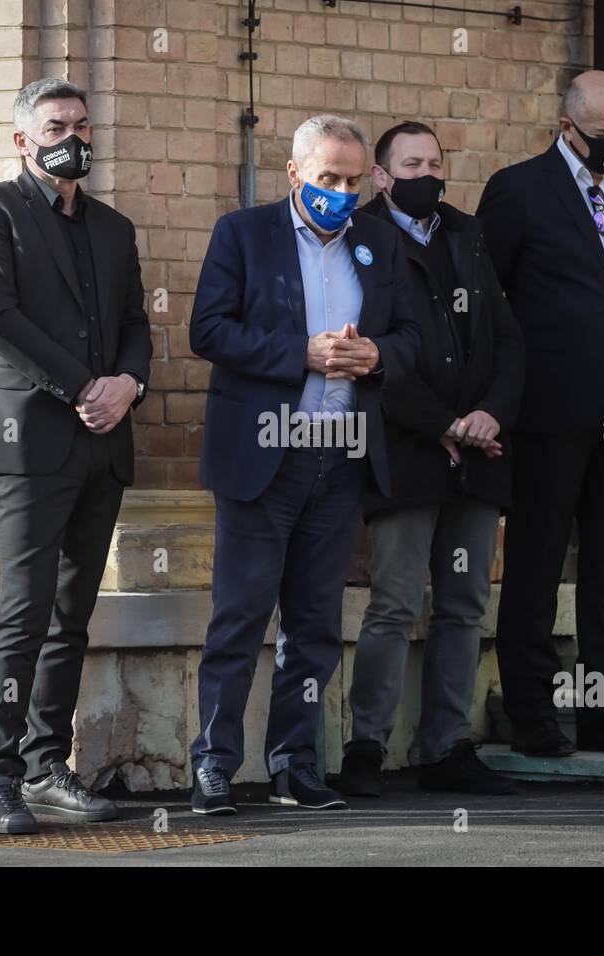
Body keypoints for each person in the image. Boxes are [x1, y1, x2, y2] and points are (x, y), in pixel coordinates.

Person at [187, 115, 420, 814]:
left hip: (343, 456)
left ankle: (295, 765)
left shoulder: (380, 241)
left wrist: (376, 356)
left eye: (353, 181)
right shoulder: (244, 234)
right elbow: (208, 329)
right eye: (328, 179)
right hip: (266, 453)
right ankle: (214, 766)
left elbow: (413, 335)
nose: (342, 193)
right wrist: (302, 354)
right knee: (240, 616)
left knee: (315, 627)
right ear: (294, 174)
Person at [0, 78, 152, 833]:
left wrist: (127, 385)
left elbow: (136, 320)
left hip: (104, 445)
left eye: (80, 122)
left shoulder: (112, 226)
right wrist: (84, 388)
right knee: (23, 610)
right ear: (22, 140)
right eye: (54, 123)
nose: (71, 133)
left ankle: (46, 766)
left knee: (73, 614)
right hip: (28, 442)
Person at [476, 70, 604, 756]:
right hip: (548, 411)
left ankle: (603, 713)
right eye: (602, 133)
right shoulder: (518, 190)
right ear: (566, 127)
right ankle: (532, 713)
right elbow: (487, 301)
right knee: (536, 562)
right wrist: (492, 400)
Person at [338, 121, 523, 797]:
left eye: (436, 162)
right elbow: (368, 352)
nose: (427, 174)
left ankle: (447, 747)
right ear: (381, 177)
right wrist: (439, 421)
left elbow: (507, 340)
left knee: (464, 604)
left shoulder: (465, 233)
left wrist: (488, 416)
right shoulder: (360, 238)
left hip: (479, 450)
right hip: (405, 449)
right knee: (392, 602)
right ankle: (367, 746)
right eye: (411, 164)